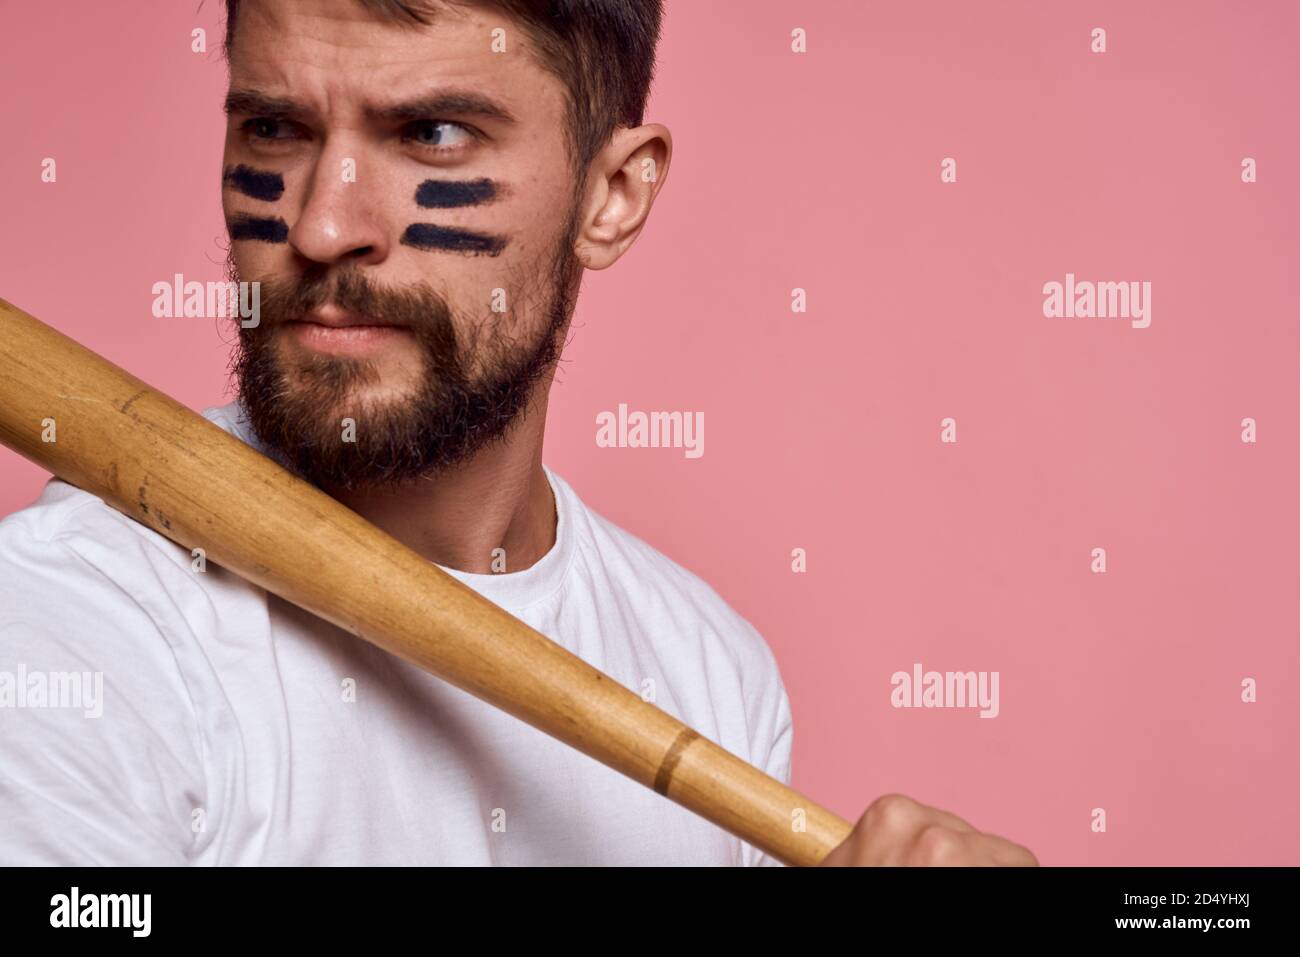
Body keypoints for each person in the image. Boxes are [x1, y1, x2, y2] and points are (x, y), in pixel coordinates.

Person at [0, 0, 1035, 867]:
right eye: (276, 129)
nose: (322, 227)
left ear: (611, 195)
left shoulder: (709, 672)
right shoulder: (69, 631)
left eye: (432, 134)